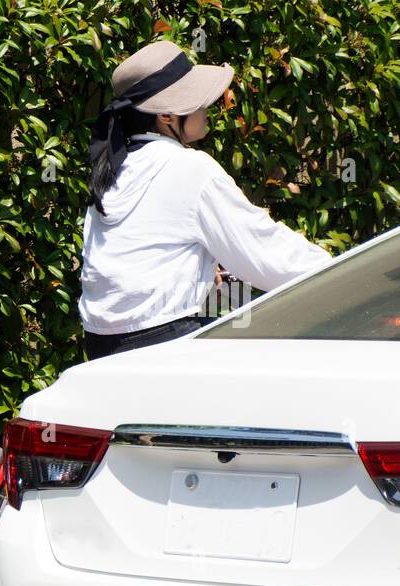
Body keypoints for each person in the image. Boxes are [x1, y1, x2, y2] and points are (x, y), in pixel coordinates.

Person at [79, 40, 331, 360]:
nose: (206, 108)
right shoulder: (189, 168)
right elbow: (267, 255)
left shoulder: (115, 168)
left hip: (102, 349)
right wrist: (342, 270)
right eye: (196, 102)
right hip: (166, 346)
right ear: (167, 116)